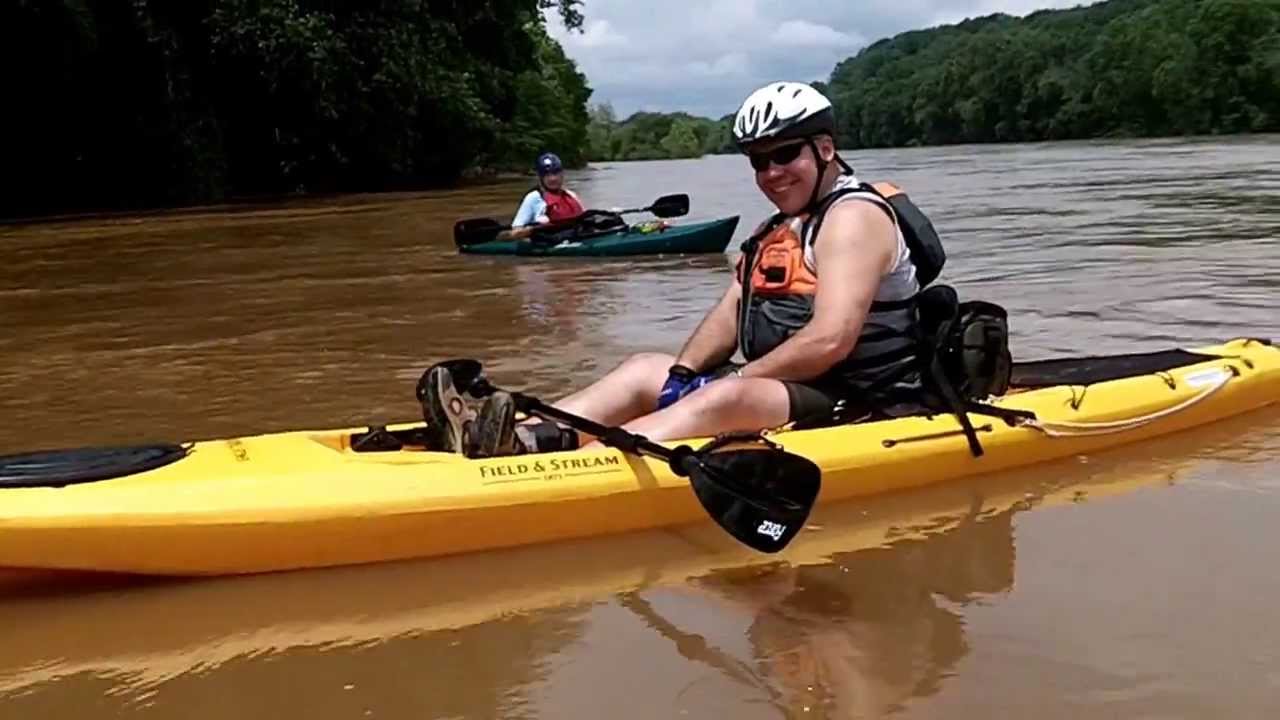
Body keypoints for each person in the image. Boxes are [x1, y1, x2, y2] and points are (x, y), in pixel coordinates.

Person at [422, 82, 926, 457]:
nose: (770, 173)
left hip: (858, 398)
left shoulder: (854, 217)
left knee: (726, 395)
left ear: (826, 149)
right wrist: (684, 376)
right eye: (758, 161)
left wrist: (730, 382)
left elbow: (829, 341)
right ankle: (523, 435)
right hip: (785, 386)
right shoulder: (783, 225)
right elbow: (731, 311)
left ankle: (573, 468)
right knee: (646, 369)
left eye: (784, 154)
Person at [511, 152, 585, 229]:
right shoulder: (533, 198)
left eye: (556, 173)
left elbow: (585, 218)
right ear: (541, 177)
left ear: (562, 174)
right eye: (547, 175)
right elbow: (517, 227)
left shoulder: (571, 195)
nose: (553, 178)